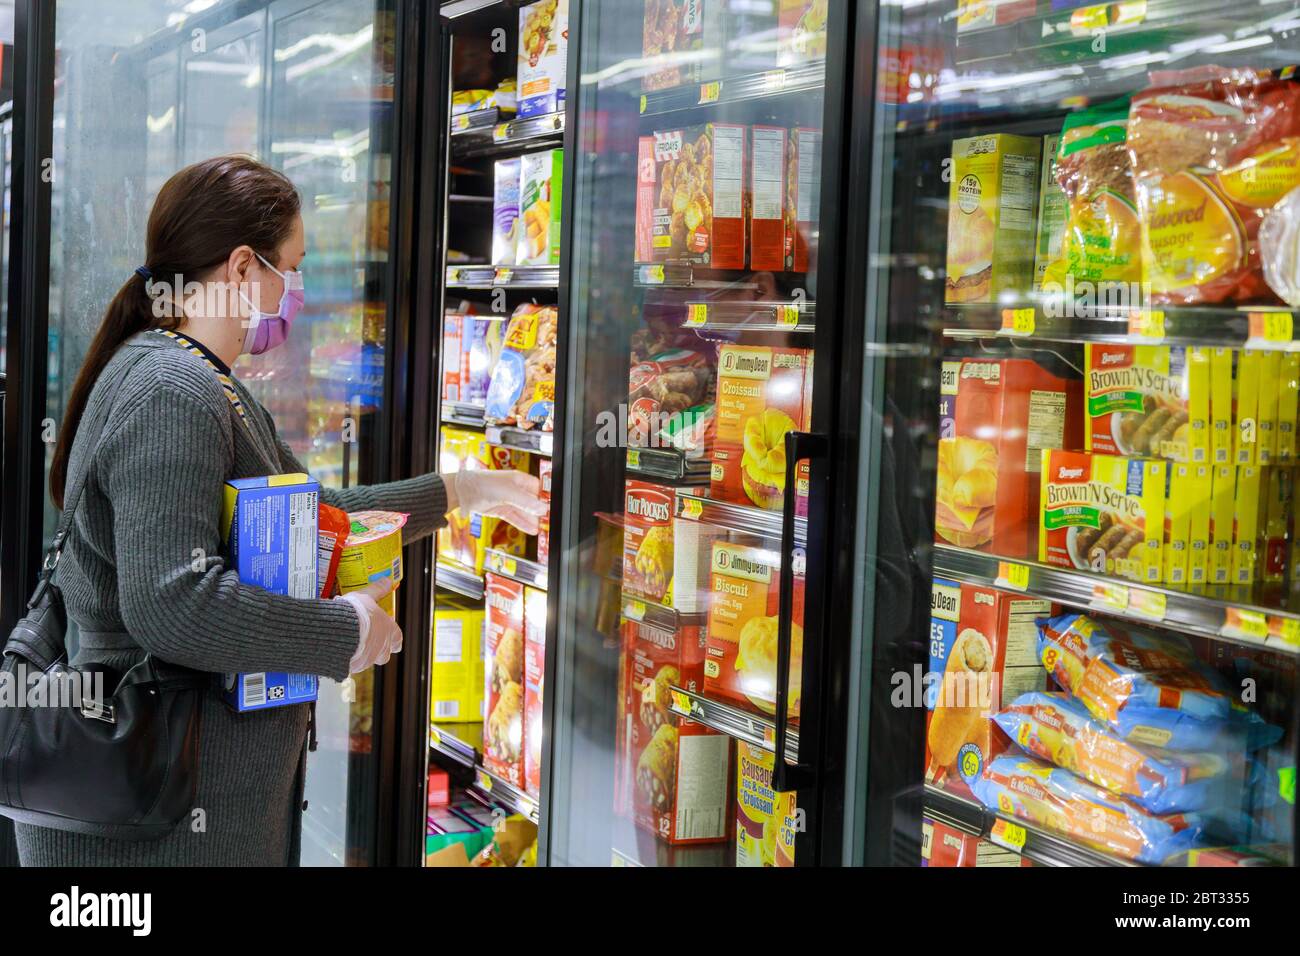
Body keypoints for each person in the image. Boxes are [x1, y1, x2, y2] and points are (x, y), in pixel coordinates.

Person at [14, 156, 546, 866]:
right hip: (151, 829)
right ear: (241, 269)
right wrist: (344, 631)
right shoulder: (174, 392)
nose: (294, 290)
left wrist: (461, 493)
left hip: (180, 810)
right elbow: (172, 602)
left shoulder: (199, 379)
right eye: (290, 268)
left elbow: (319, 514)